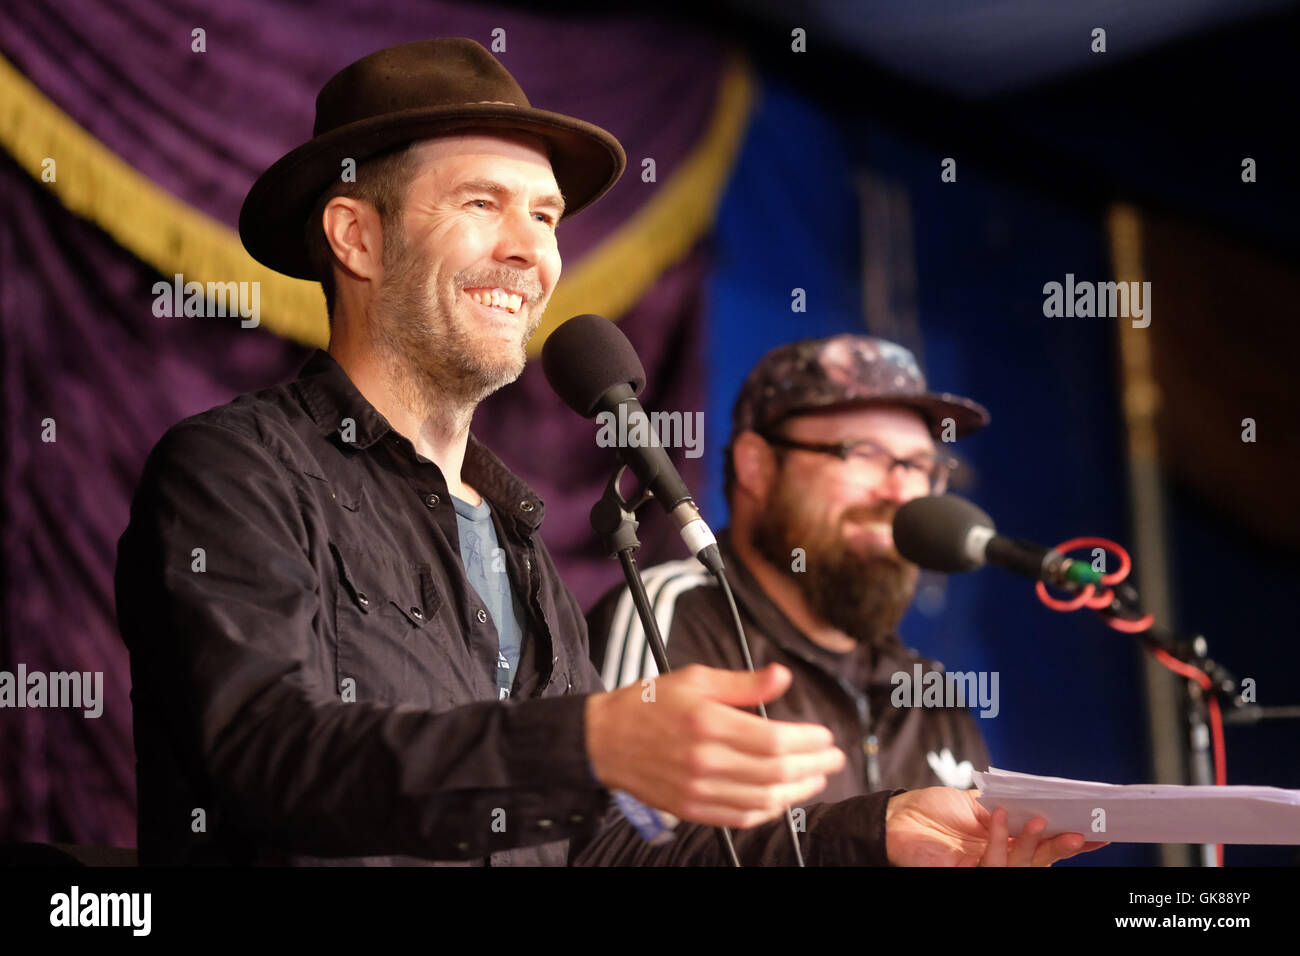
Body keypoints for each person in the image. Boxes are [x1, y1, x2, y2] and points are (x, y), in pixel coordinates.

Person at [114, 38, 1102, 867]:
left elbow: (605, 856)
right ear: (356, 237)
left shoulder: (518, 537)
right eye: (481, 204)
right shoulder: (233, 472)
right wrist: (588, 741)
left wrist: (865, 831)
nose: (532, 250)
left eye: (543, 215)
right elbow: (265, 756)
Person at [589, 336, 992, 800]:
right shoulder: (661, 618)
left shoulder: (929, 693)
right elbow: (621, 842)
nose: (901, 493)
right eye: (864, 454)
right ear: (756, 466)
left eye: (921, 466)